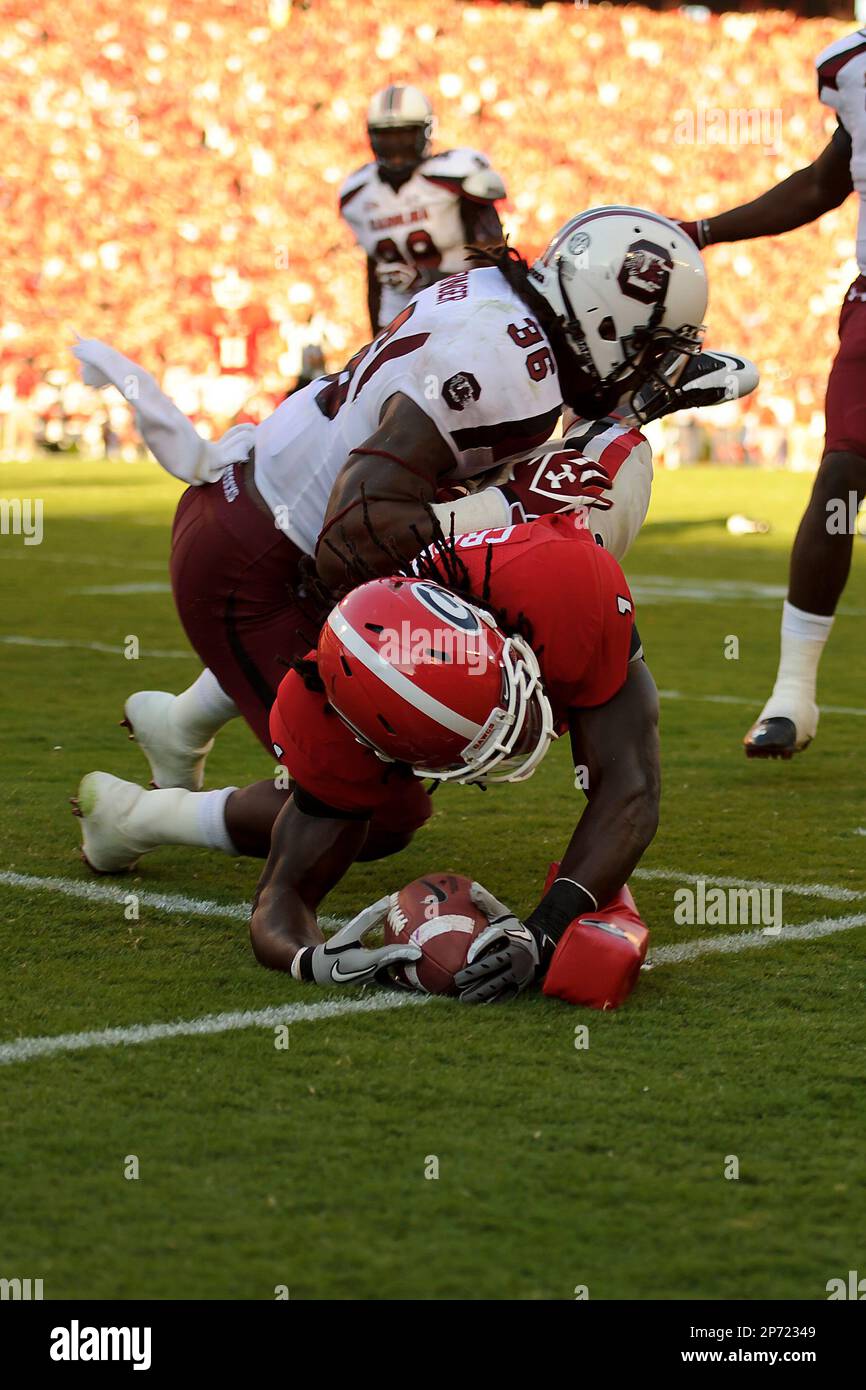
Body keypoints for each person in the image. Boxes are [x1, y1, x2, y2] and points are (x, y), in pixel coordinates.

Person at [74, 512, 660, 1005]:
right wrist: (313, 960)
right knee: (383, 827)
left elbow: (629, 789)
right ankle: (138, 818)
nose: (522, 736)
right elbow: (282, 899)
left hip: (502, 555)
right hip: (282, 584)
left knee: (603, 732)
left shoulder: (562, 581)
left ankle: (146, 799)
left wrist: (547, 929)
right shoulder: (324, 714)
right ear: (378, 743)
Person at [676, 27, 866, 758]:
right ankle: (793, 695)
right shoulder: (852, 68)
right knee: (843, 472)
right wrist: (702, 229)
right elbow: (824, 183)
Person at [339, 84, 507, 333]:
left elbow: (495, 263)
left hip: (463, 309)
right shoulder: (357, 194)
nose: (396, 147)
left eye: (404, 135)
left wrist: (428, 277)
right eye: (386, 137)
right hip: (399, 321)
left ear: (425, 132)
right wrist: (376, 339)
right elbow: (374, 275)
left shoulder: (453, 178)